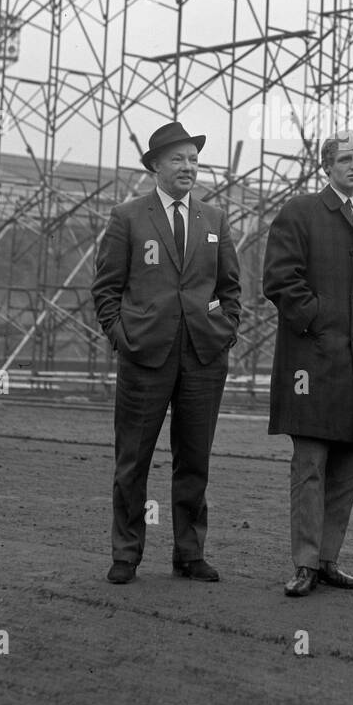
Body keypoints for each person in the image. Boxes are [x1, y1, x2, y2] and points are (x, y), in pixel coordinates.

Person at [91, 121, 241, 586]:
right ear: (156, 166)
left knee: (194, 459)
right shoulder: (128, 217)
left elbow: (231, 288)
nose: (188, 167)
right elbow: (105, 289)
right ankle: (126, 553)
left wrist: (224, 330)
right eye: (178, 159)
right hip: (145, 356)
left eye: (194, 160)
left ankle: (189, 553)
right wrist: (123, 336)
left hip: (202, 357)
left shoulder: (213, 220)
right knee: (132, 459)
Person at [263, 130, 353, 596]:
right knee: (311, 465)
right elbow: (280, 280)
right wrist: (320, 323)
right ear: (327, 166)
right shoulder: (301, 213)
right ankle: (304, 563)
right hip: (311, 364)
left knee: (345, 467)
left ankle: (328, 559)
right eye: (346, 159)